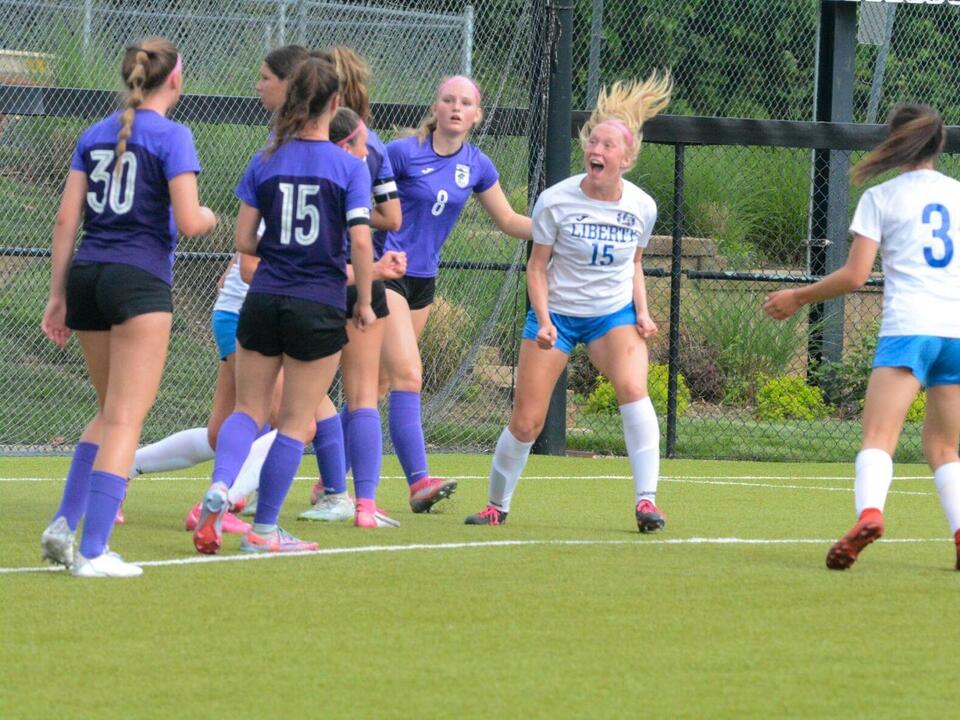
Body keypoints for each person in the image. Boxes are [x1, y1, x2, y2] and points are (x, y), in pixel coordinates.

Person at [39, 37, 218, 577]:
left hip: (89, 276)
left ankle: (65, 525)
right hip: (137, 279)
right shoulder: (174, 135)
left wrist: (57, 293)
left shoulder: (95, 132)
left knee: (108, 412)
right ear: (176, 80)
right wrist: (211, 216)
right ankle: (92, 551)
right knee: (124, 420)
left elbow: (66, 220)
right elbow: (189, 222)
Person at [463, 72, 672, 531]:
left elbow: (634, 264)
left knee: (634, 390)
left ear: (627, 157)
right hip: (557, 314)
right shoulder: (555, 201)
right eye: (592, 142)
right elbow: (537, 267)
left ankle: (646, 502)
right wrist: (543, 319)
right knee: (526, 422)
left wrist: (642, 311)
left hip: (611, 316)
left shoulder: (642, 206)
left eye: (607, 146)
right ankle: (497, 505)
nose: (596, 151)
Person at [191, 52, 375, 555]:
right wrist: (362, 300)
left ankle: (223, 483)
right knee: (295, 422)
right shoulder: (348, 166)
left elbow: (245, 239)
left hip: (264, 297)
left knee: (247, 410)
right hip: (317, 303)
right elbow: (361, 242)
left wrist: (279, 252)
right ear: (336, 104)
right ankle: (265, 531)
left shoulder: (265, 158)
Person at [764, 103, 960, 571]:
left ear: (893, 142)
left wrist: (797, 296)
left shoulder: (882, 198)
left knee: (878, 435)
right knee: (945, 448)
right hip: (955, 333)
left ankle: (870, 514)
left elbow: (855, 277)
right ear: (939, 144)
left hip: (908, 329)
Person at [125, 45, 309, 533]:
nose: (257, 84)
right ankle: (224, 502)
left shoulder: (295, 145)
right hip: (259, 304)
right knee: (296, 421)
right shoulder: (283, 150)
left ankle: (125, 464)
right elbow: (250, 246)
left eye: (265, 77)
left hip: (251, 304)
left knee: (223, 431)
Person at [378, 74, 532, 513]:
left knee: (378, 385)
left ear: (477, 115)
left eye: (465, 102)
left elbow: (507, 220)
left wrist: (560, 231)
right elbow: (358, 200)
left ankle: (331, 482)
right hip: (385, 271)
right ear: (435, 106)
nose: (456, 107)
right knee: (409, 375)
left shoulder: (478, 165)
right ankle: (418, 482)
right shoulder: (401, 153)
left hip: (423, 281)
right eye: (448, 99)